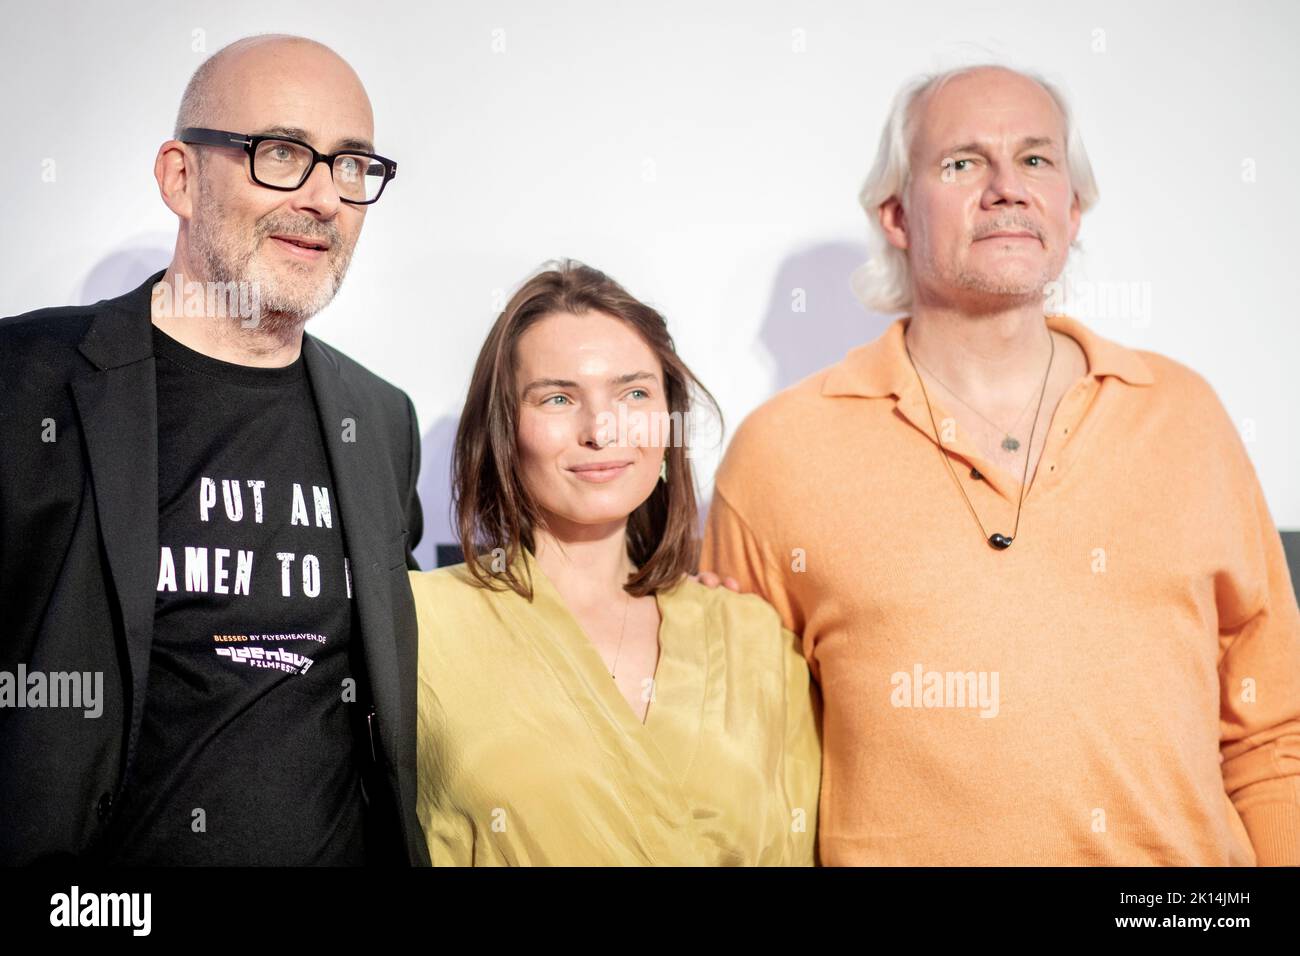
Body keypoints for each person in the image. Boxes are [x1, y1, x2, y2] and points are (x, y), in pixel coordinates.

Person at [701, 63, 1300, 865]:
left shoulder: (1183, 414)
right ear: (896, 214)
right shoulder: (780, 452)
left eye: (1036, 160)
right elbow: (747, 770)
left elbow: (1273, 732)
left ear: (1071, 208)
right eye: (962, 163)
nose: (1007, 188)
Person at [0, 34, 428, 865]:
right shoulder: (23, 385)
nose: (323, 199)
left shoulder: (380, 420)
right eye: (281, 153)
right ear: (180, 177)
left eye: (351, 166)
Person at [411, 260, 821, 865]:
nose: (601, 430)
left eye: (633, 393)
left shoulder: (753, 638)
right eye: (557, 397)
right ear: (504, 429)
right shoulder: (422, 625)